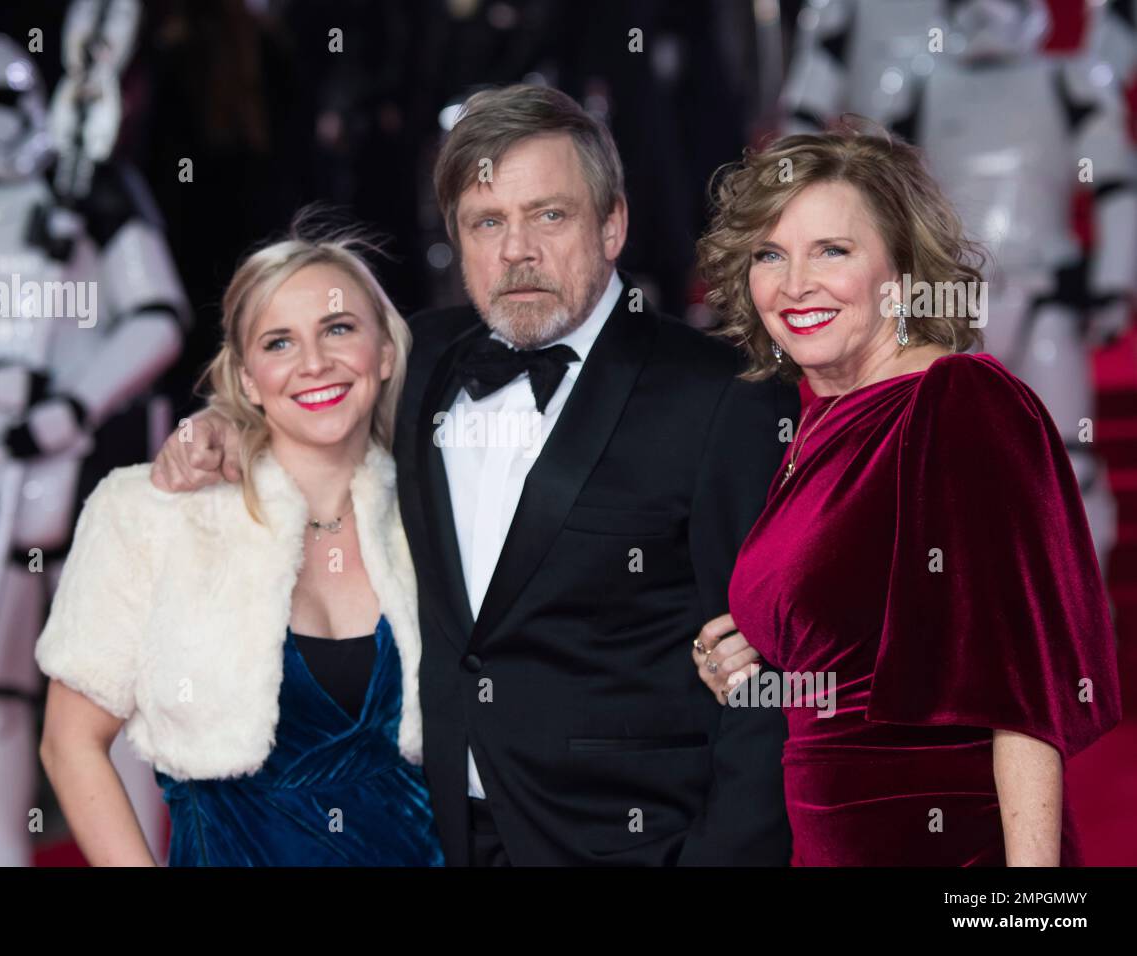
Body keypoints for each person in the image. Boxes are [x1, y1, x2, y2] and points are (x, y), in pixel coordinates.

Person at [153, 84, 800, 865]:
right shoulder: (419, 359)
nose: (517, 250)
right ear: (457, 239)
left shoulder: (719, 395)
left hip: (634, 840)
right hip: (444, 834)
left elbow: (771, 677)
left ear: (612, 224)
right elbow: (308, 401)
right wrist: (225, 423)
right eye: (487, 223)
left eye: (549, 215)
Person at [693, 127, 1123, 866]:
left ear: (900, 271)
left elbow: (1023, 702)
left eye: (833, 250)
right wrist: (749, 658)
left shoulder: (958, 403)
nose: (795, 284)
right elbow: (860, 654)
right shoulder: (821, 420)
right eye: (770, 254)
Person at [36, 232, 444, 866]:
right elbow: (69, 744)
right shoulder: (149, 512)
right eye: (279, 342)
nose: (313, 362)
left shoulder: (433, 508)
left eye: (337, 329)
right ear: (249, 378)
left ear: (384, 352)